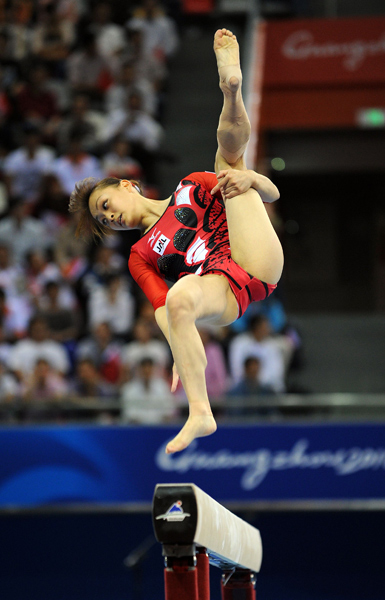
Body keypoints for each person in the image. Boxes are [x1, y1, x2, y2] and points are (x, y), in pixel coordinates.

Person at [68, 29, 283, 454]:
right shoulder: (140, 255)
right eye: (102, 218)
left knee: (227, 166)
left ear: (128, 184)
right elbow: (166, 309)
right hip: (222, 288)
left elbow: (272, 194)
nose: (109, 216)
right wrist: (178, 347)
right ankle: (201, 413)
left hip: (253, 254)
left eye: (106, 203)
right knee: (181, 296)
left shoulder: (191, 186)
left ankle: (231, 90)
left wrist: (253, 180)